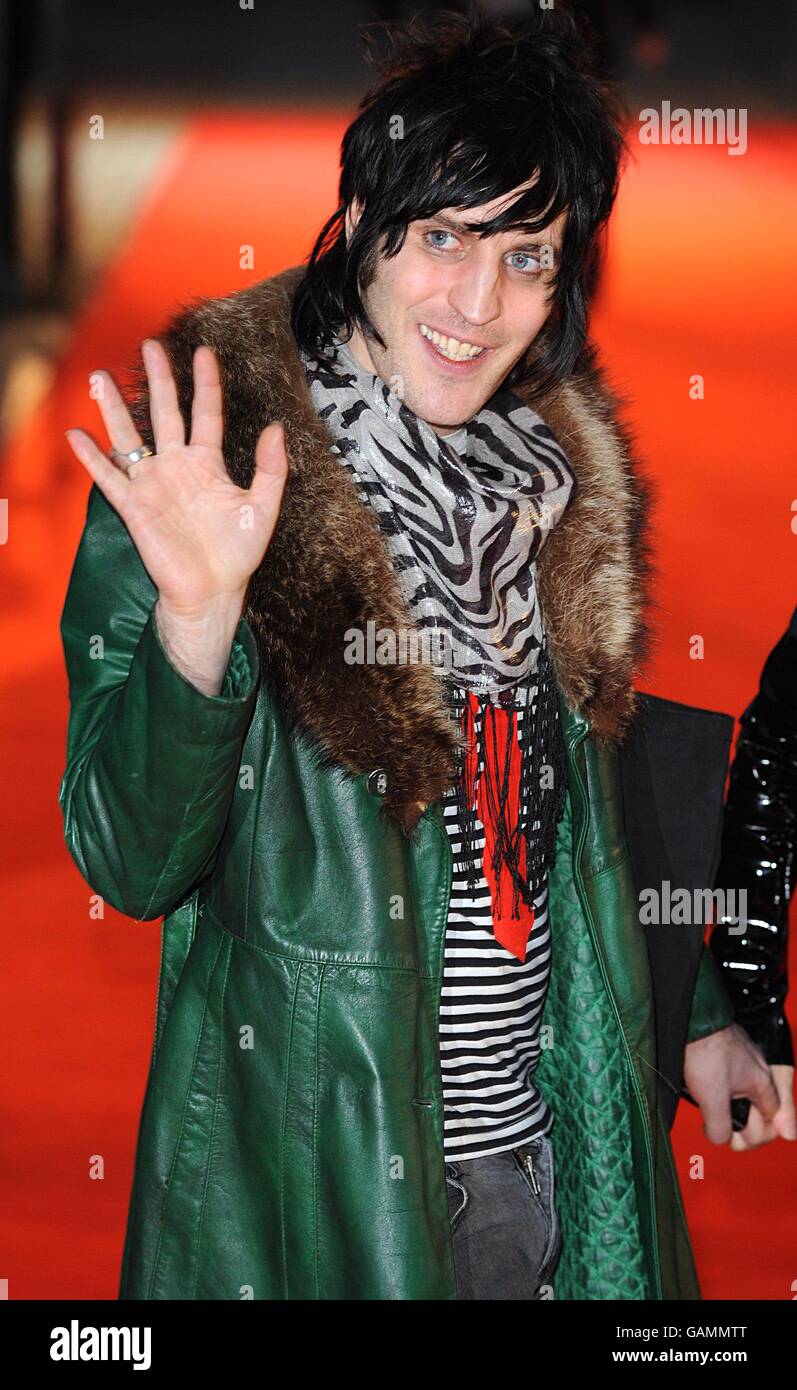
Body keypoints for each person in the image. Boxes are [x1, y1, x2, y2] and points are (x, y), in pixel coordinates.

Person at [58, 8, 777, 1301]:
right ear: (366, 222)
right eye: (441, 238)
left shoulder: (544, 478)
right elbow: (130, 852)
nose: (476, 303)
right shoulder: (215, 472)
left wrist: (702, 1011)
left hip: (533, 1150)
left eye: (526, 258)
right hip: (320, 1172)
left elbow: (568, 816)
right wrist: (200, 622)